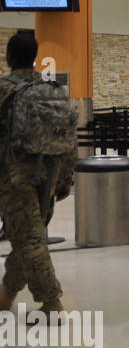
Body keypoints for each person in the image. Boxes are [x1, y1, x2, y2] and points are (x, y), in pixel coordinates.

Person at [0, 32, 78, 318]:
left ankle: (51, 304)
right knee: (27, 237)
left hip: (14, 176)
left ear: (9, 57)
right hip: (49, 174)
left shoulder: (4, 90)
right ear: (34, 58)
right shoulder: (50, 89)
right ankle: (5, 298)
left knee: (29, 240)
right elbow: (70, 139)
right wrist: (65, 178)